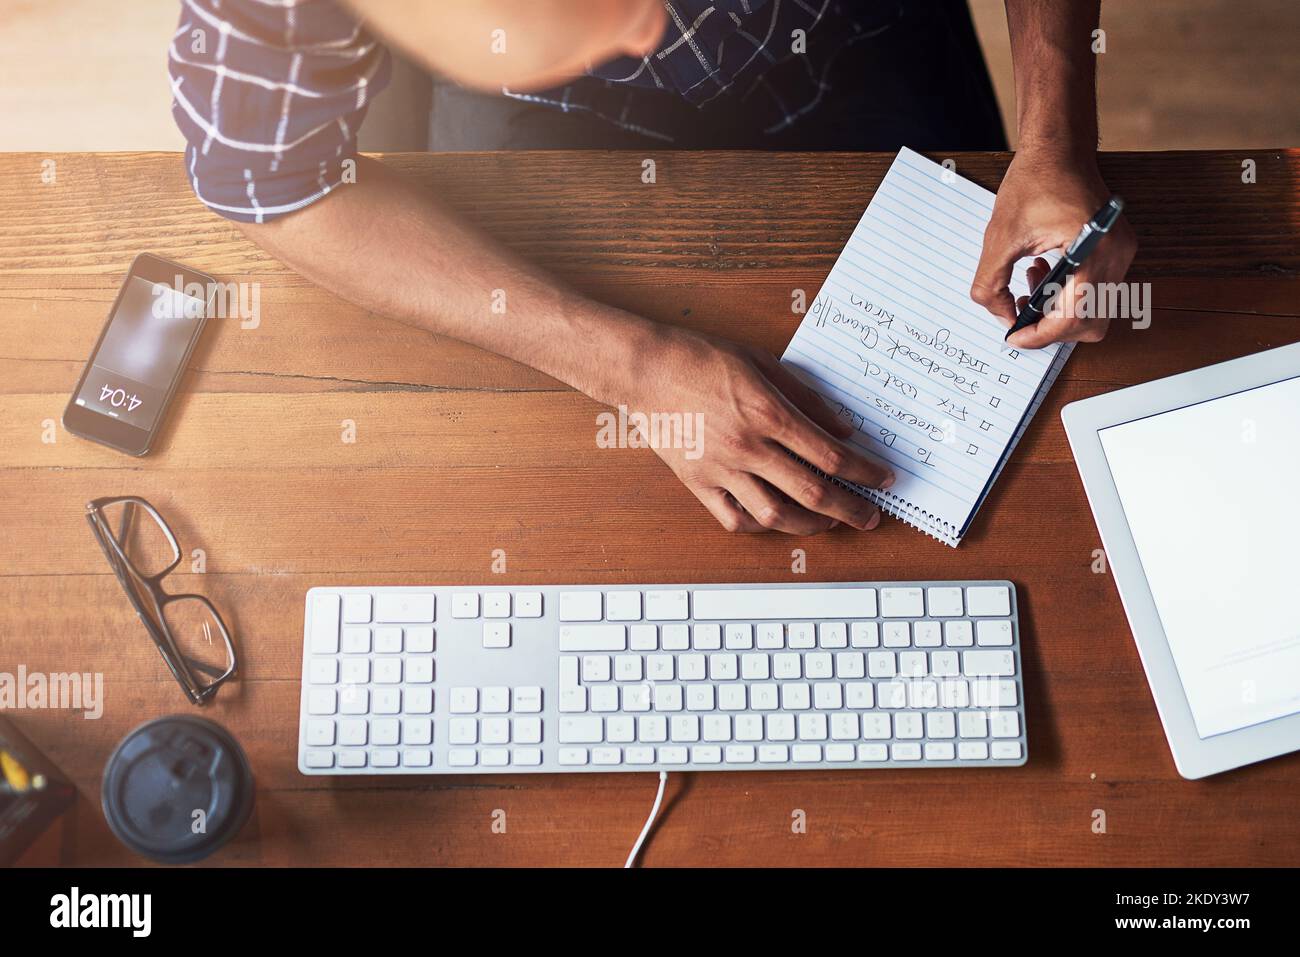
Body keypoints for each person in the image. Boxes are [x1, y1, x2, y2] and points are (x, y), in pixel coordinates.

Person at [168, 0, 1135, 535]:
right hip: (550, 134)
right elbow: (270, 185)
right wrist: (626, 366)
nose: (649, 32)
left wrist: (1054, 131)